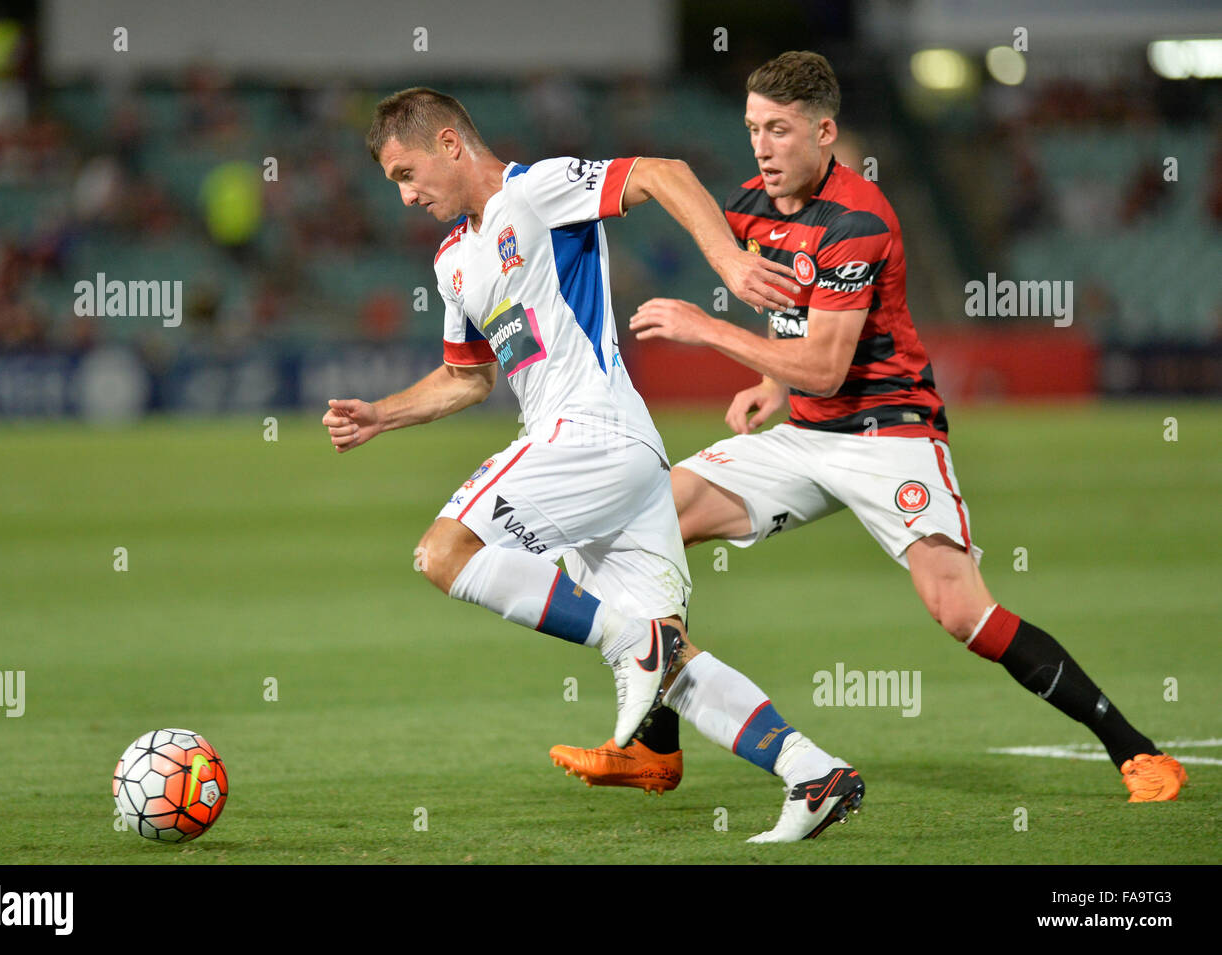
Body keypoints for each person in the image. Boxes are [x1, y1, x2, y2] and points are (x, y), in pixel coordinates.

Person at [549, 51, 1187, 805]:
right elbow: (796, 325)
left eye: (779, 130)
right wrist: (766, 381)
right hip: (808, 433)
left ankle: (1137, 750)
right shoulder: (751, 206)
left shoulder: (859, 219)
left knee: (961, 610)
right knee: (642, 521)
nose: (761, 146)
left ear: (825, 132)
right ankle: (656, 747)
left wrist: (707, 330)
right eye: (754, 128)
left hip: (892, 432)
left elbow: (824, 365)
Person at [323, 87, 863, 841]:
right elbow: (467, 376)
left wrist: (733, 266)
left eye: (407, 174)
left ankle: (624, 642)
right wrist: (383, 413)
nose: (408, 196)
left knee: (444, 553)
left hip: (587, 432)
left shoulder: (535, 191)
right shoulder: (454, 259)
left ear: (450, 144)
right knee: (669, 663)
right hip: (622, 463)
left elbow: (663, 171)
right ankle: (812, 772)